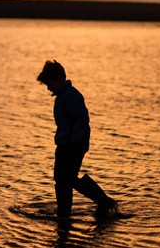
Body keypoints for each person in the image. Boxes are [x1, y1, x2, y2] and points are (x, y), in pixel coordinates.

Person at [37, 60, 118, 219]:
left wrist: (72, 142)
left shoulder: (71, 96)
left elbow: (82, 120)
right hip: (66, 143)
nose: (48, 87)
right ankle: (66, 212)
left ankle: (100, 202)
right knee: (64, 179)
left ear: (59, 78)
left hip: (72, 145)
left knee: (65, 179)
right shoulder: (62, 96)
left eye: (49, 82)